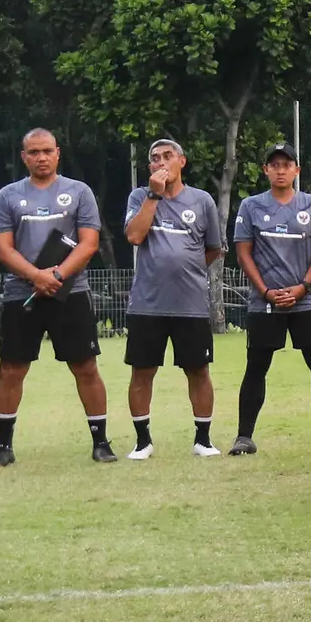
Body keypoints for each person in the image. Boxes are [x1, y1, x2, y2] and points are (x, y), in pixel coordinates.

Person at [0, 129, 115, 464]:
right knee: (11, 369)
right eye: (34, 152)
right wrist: (36, 276)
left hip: (69, 292)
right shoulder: (7, 196)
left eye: (47, 151)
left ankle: (101, 442)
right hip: (22, 293)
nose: (41, 158)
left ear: (57, 153)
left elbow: (89, 243)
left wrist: (57, 276)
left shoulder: (78, 192)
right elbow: (3, 248)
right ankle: (3, 447)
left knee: (85, 367)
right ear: (23, 156)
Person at [231, 143, 311, 453]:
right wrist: (265, 291)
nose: (280, 170)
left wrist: (304, 287)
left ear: (296, 170)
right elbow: (243, 253)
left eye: (286, 164)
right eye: (274, 164)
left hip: (306, 300)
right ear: (265, 169)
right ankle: (244, 437)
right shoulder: (251, 206)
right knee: (256, 366)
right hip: (265, 301)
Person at [121, 139, 224, 459]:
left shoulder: (203, 200)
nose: (161, 162)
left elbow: (213, 248)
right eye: (154, 158)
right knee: (142, 371)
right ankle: (142, 441)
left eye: (168, 156)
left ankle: (203, 440)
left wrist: (186, 268)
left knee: (198, 370)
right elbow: (135, 236)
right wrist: (153, 194)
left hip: (190, 304)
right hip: (147, 304)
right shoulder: (140, 196)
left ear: (182, 161)